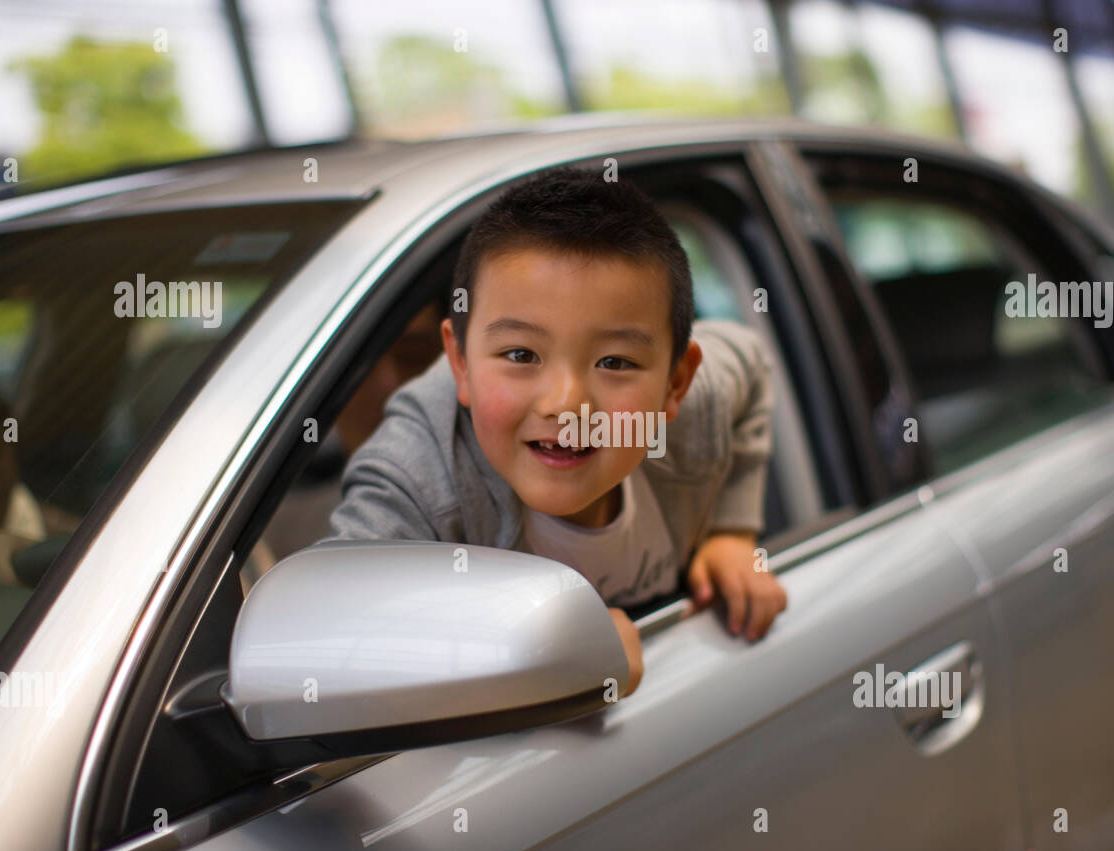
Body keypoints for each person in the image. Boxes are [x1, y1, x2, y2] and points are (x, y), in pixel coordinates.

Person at [321, 167, 788, 696]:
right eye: (521, 355)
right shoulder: (421, 476)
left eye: (614, 361)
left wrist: (731, 533)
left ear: (675, 383)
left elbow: (749, 361)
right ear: (461, 365)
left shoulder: (697, 402)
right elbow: (328, 626)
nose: (567, 404)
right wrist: (526, 641)